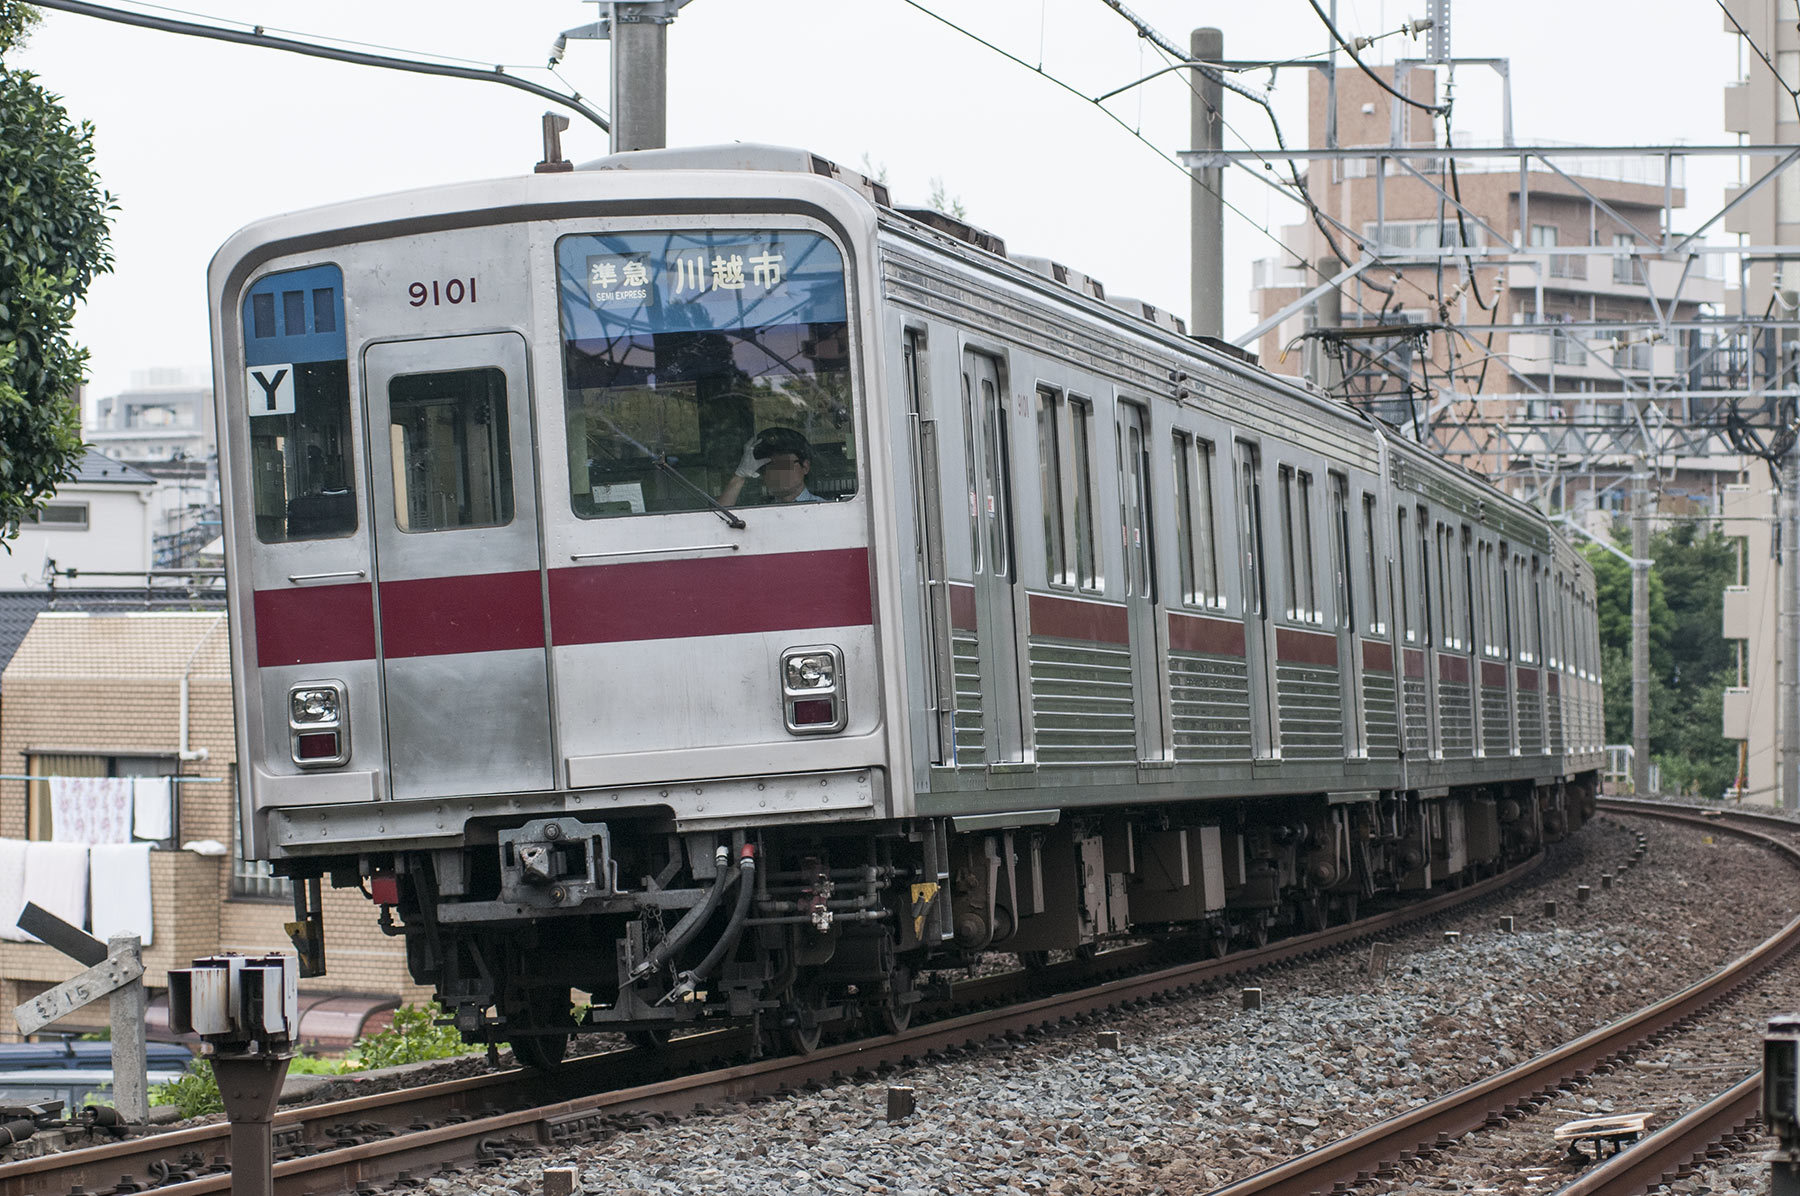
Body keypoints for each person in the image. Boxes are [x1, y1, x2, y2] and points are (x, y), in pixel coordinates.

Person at [718, 427, 822, 505]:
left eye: (783, 464)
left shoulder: (827, 508)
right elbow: (718, 524)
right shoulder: (758, 512)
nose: (777, 472)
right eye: (769, 466)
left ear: (805, 467)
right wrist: (740, 476)